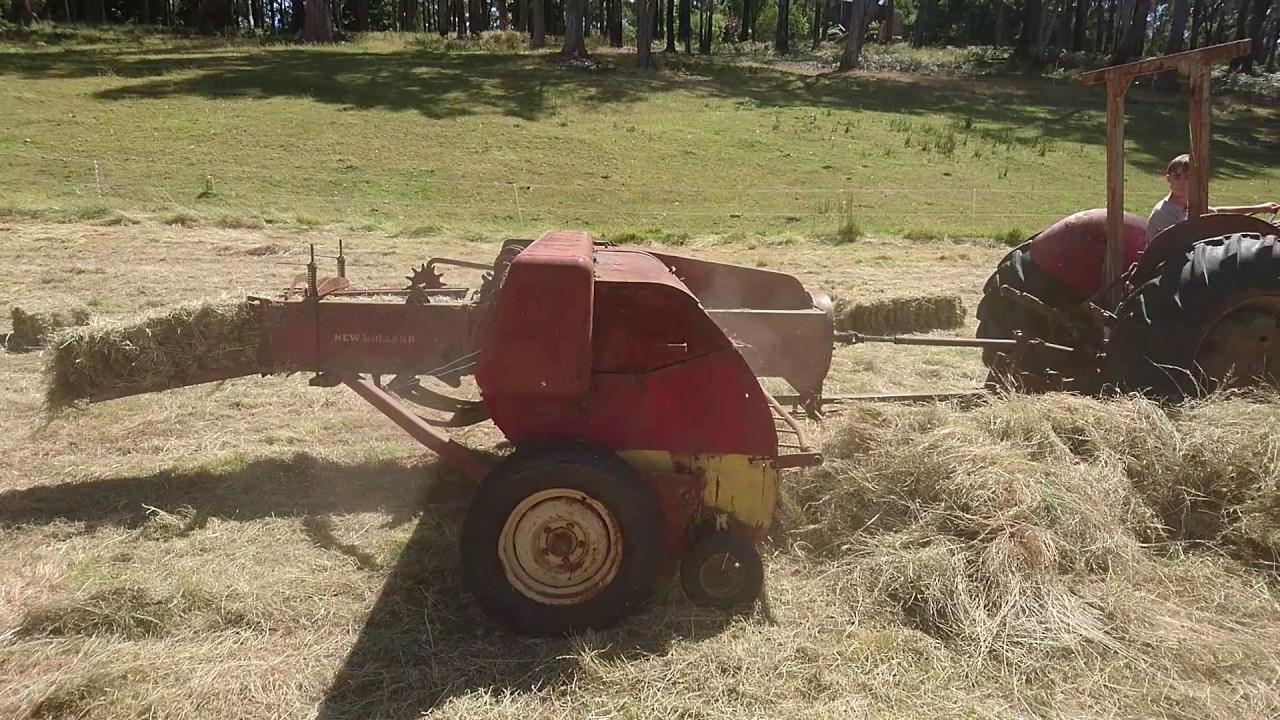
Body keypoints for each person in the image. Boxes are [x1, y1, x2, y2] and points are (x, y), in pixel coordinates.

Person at [1146, 154, 1279, 242]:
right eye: (1177, 177)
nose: (1181, 183)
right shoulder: (1164, 213)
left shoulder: (1188, 207)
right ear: (1168, 179)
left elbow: (1217, 212)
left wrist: (1261, 208)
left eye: (1187, 178)